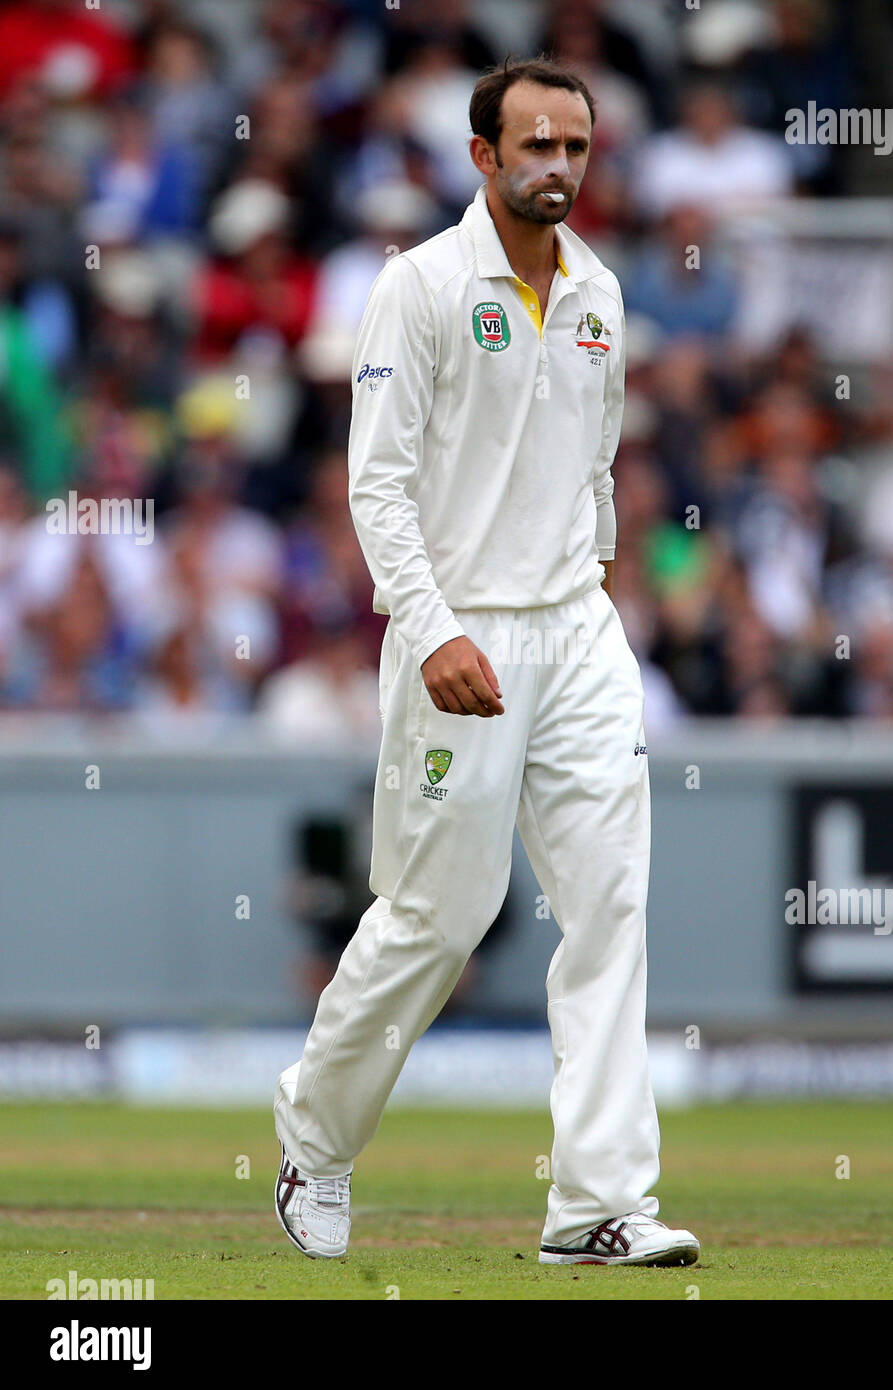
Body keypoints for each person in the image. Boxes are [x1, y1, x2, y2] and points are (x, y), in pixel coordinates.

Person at [273, 56, 699, 1269]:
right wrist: (434, 628)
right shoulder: (417, 286)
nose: (557, 165)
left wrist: (601, 594)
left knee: (608, 903)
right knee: (436, 915)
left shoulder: (602, 294)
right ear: (482, 156)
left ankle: (596, 1206)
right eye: (535, 145)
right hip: (455, 629)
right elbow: (377, 487)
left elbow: (597, 468)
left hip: (573, 630)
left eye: (575, 145)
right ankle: (314, 1135)